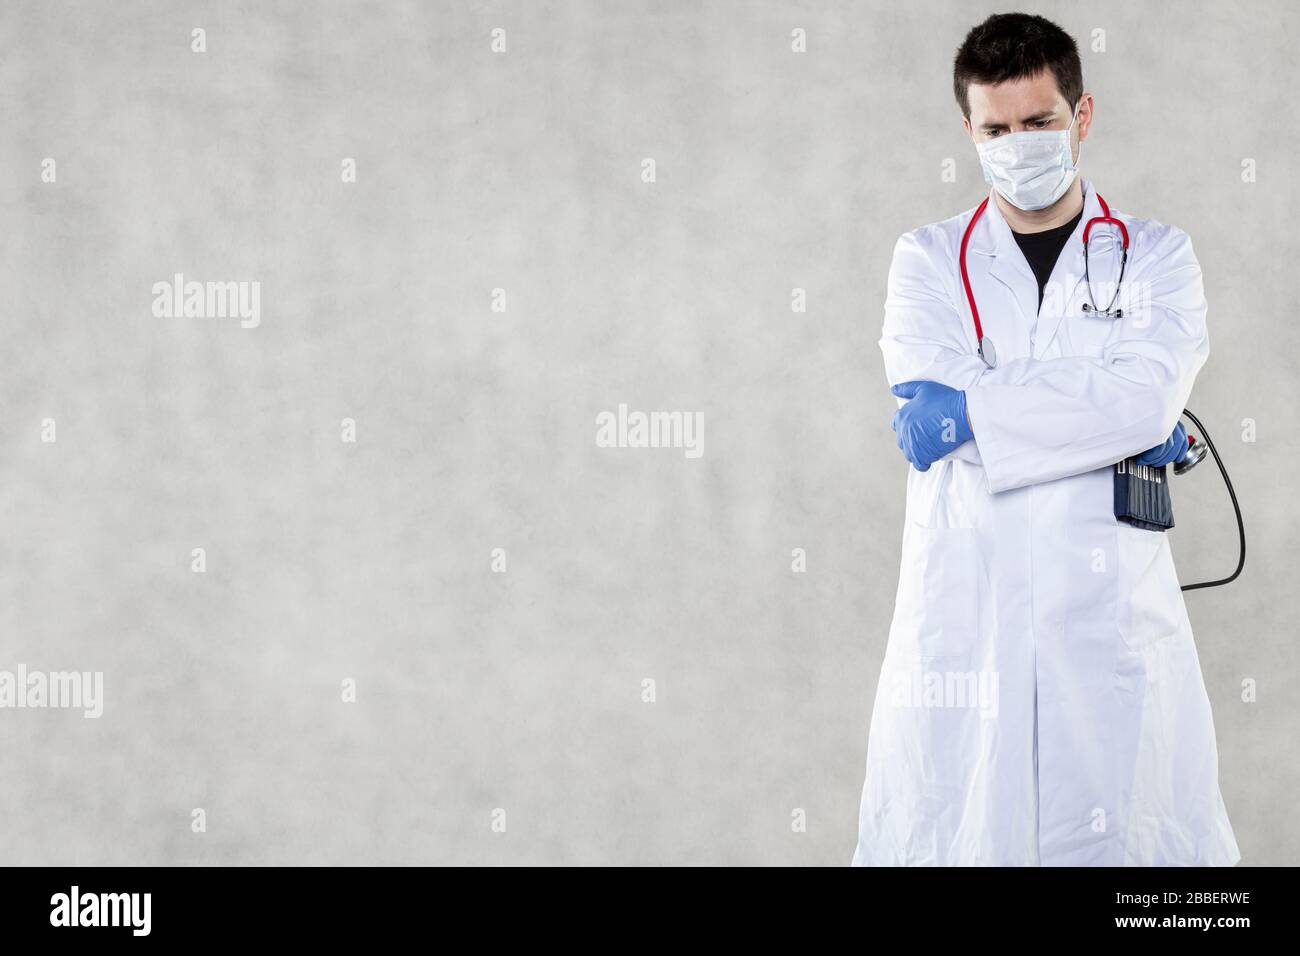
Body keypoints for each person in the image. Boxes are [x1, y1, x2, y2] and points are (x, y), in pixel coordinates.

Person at [851, 12, 1240, 866]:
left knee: (1135, 853)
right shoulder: (925, 260)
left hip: (1108, 615)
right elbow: (1127, 406)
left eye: (1038, 123)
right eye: (995, 129)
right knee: (958, 828)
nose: (1017, 144)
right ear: (968, 129)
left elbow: (1140, 399)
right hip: (967, 607)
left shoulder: (1157, 256)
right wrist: (1110, 415)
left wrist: (975, 412)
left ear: (1082, 116)